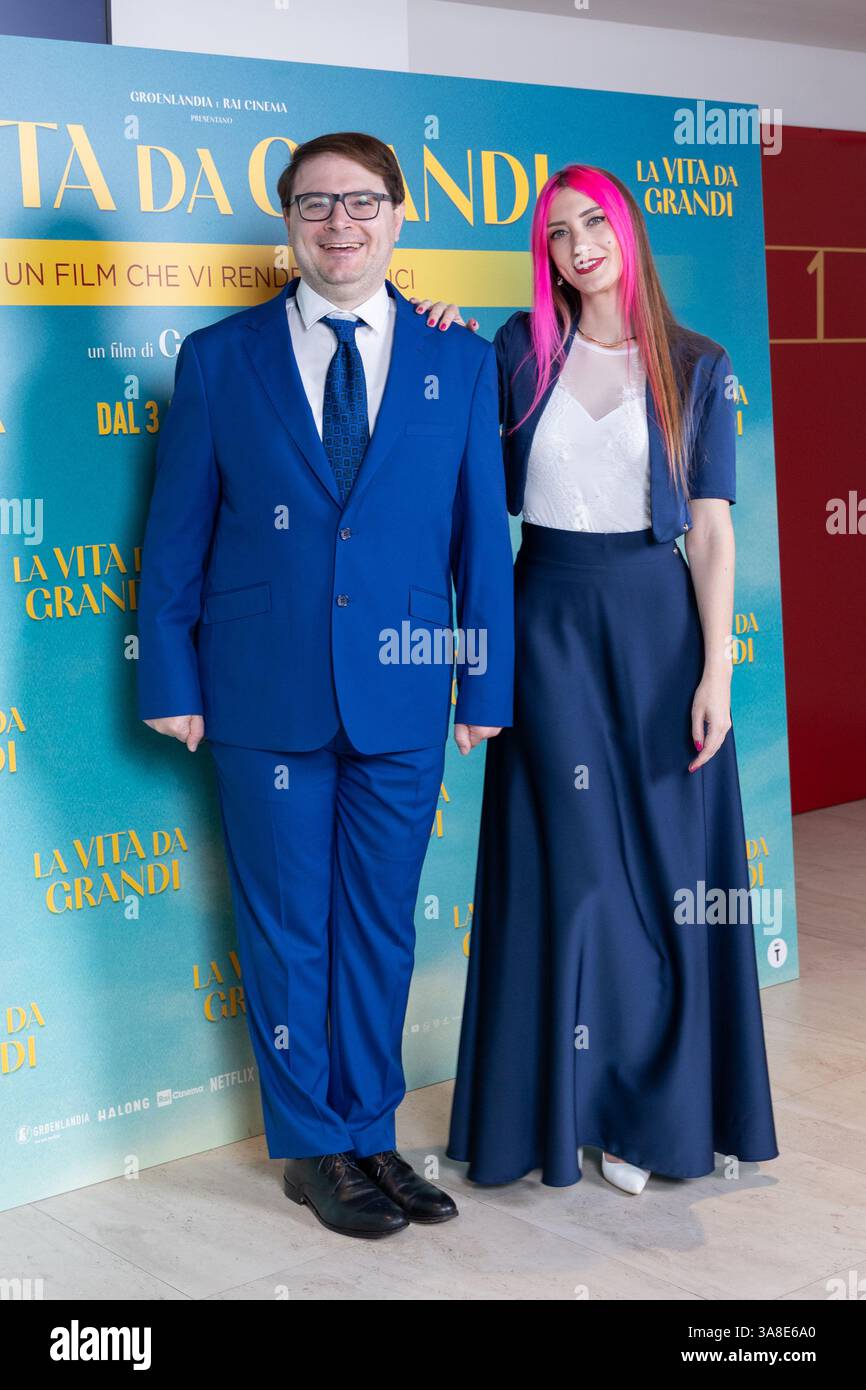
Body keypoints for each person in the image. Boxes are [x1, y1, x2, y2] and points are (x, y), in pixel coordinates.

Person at [136, 131, 515, 1238]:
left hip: (403, 691)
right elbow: (177, 537)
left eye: (359, 204)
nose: (338, 224)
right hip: (260, 694)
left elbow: (477, 541)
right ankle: (312, 1148)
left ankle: (369, 1132)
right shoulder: (220, 357)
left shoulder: (457, 359)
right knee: (288, 927)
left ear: (396, 216)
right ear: (288, 223)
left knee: (380, 929)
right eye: (314, 206)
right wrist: (170, 671)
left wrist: (481, 685)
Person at [416, 164, 779, 1195]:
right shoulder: (512, 352)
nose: (577, 243)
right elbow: (448, 452)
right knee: (574, 879)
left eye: (592, 222)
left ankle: (645, 1120)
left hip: (657, 625)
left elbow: (710, 533)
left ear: (625, 229)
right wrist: (431, 330)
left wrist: (714, 670)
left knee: (667, 885)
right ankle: (563, 1107)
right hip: (546, 621)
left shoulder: (696, 365)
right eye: (556, 230)